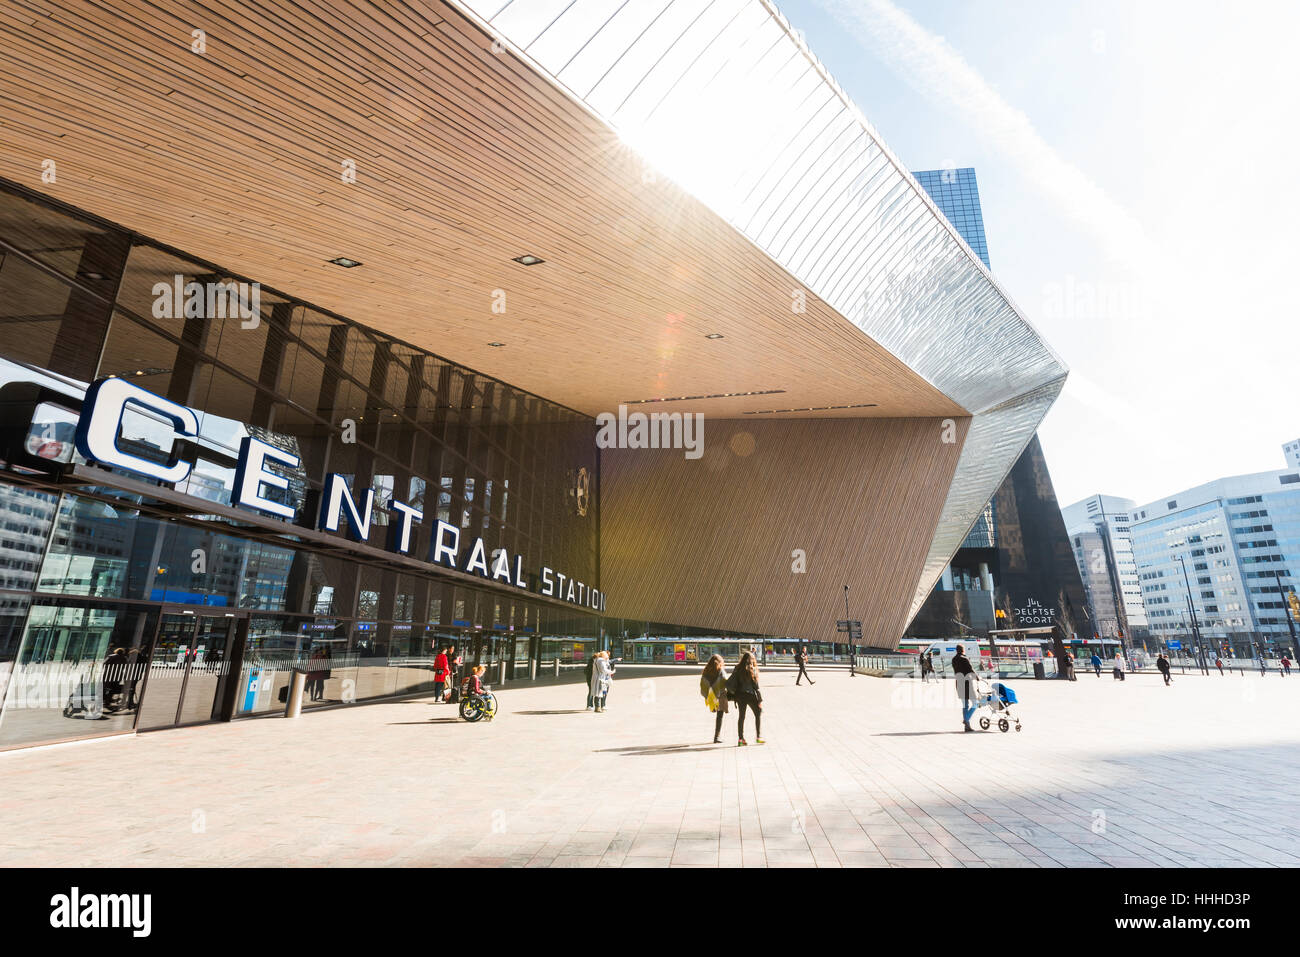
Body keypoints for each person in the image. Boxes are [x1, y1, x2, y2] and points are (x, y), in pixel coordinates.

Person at [725, 652, 763, 745]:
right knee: (758, 713)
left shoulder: (737, 668)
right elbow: (756, 686)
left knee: (741, 717)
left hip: (739, 696)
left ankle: (741, 739)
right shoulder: (752, 669)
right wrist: (760, 700)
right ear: (751, 660)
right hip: (750, 695)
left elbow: (731, 681)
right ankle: (758, 737)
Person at [700, 655, 730, 744]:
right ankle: (717, 736)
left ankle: (717, 736)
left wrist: (709, 693)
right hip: (720, 696)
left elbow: (703, 684)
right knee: (719, 716)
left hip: (711, 696)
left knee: (718, 715)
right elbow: (726, 681)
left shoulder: (706, 672)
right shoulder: (721, 671)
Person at [952, 643, 977, 732]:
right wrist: (977, 677)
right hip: (967, 684)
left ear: (956, 650)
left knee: (965, 705)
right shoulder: (965, 658)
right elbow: (970, 670)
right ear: (963, 650)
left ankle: (967, 726)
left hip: (959, 683)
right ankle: (966, 719)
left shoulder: (954, 659)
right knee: (975, 703)